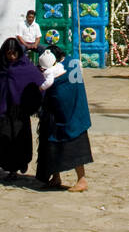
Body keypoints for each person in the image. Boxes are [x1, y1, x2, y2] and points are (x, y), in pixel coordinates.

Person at [0, 38, 45, 180]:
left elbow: (40, 85)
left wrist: (38, 103)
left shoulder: (26, 67)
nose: (11, 57)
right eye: (9, 54)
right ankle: (11, 169)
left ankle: (21, 163)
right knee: (5, 139)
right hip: (3, 110)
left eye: (14, 53)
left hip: (20, 111)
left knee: (20, 139)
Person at [36, 53, 93, 192]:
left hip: (73, 117)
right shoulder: (66, 64)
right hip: (53, 118)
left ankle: (82, 179)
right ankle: (56, 177)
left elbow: (60, 92)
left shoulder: (68, 69)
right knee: (51, 147)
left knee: (75, 148)